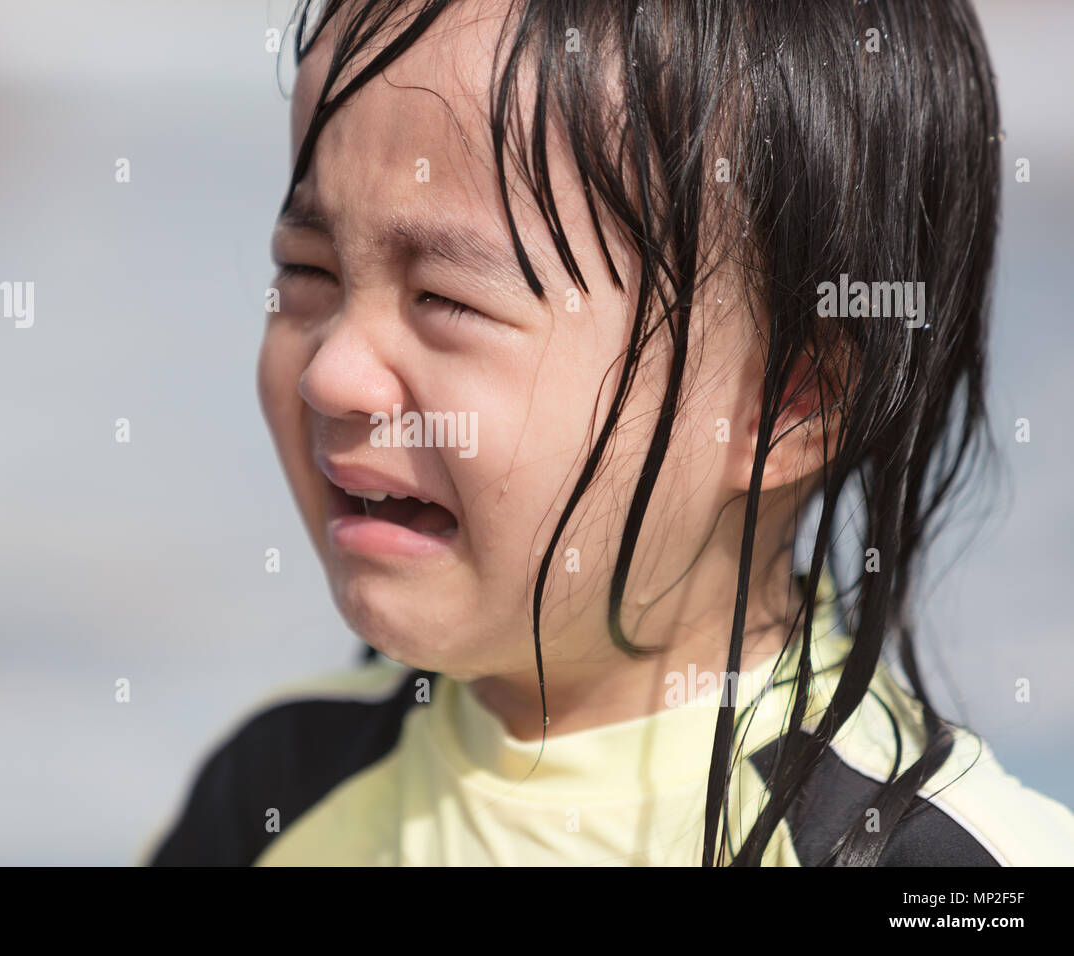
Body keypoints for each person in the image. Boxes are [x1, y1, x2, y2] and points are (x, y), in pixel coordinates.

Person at [151, 0, 1074, 866]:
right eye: (309, 270)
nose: (331, 373)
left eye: (444, 298)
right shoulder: (275, 791)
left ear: (790, 404)